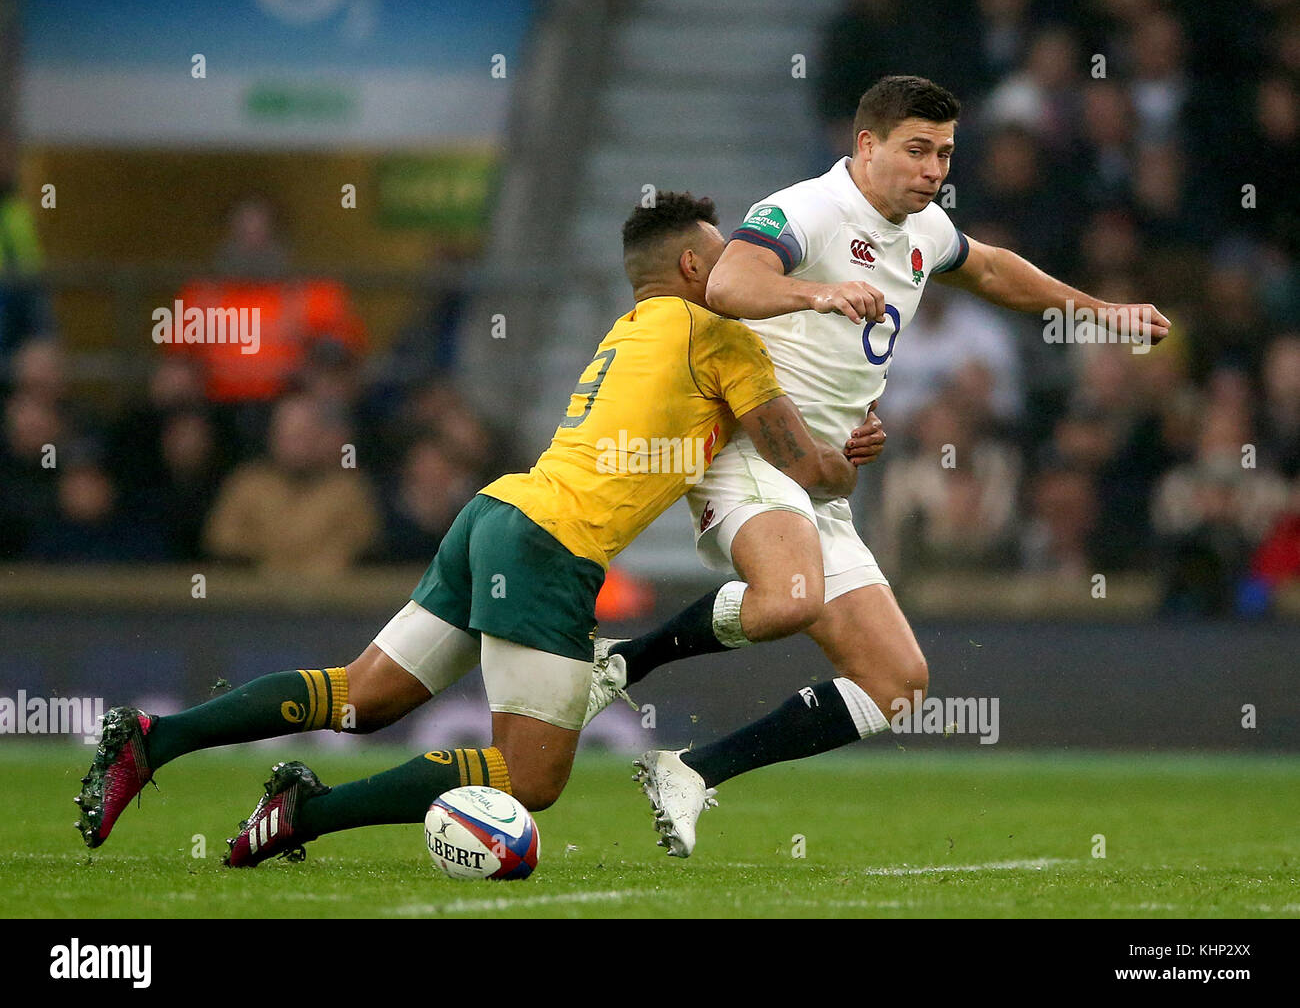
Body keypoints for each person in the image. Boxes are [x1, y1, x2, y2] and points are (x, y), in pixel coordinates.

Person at [74, 193, 865, 866]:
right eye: (724, 260)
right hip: (549, 548)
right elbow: (799, 463)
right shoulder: (719, 338)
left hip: (495, 514)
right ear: (696, 268)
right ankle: (302, 814)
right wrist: (851, 455)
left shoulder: (630, 332)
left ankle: (155, 737)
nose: (734, 274)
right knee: (530, 782)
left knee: (362, 696)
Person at [584, 75, 1170, 857]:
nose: (935, 170)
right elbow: (729, 280)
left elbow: (993, 269)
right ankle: (622, 661)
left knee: (897, 682)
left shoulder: (925, 229)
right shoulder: (810, 209)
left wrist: (1102, 314)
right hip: (753, 446)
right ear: (867, 145)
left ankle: (691, 769)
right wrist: (818, 295)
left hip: (823, 474)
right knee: (789, 595)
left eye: (946, 154)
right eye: (917, 150)